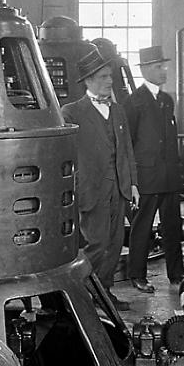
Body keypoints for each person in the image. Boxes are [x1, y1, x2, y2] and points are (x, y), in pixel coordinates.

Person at [62, 45, 139, 310]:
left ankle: (104, 294)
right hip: (91, 189)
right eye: (105, 77)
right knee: (97, 243)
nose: (110, 81)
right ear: (89, 80)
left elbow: (127, 149)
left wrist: (133, 184)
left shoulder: (118, 112)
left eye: (110, 76)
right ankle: (80, 293)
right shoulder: (71, 112)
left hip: (119, 189)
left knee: (115, 244)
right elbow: (66, 157)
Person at [123, 45, 184, 294]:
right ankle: (137, 275)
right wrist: (133, 180)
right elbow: (128, 143)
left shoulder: (167, 100)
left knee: (173, 226)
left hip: (168, 176)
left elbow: (170, 141)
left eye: (164, 65)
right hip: (146, 177)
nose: (164, 70)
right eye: (159, 67)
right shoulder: (134, 102)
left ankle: (177, 273)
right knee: (142, 227)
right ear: (146, 69)